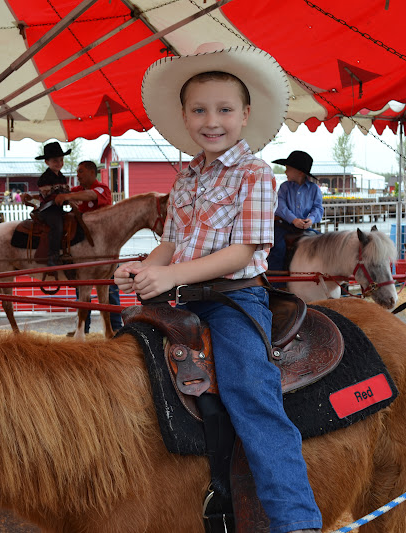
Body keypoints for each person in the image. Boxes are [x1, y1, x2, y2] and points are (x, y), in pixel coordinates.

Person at [115, 43, 322, 532]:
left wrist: (169, 276)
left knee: (251, 392)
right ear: (185, 117)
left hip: (232, 298)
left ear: (245, 114)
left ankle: (296, 520)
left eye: (225, 109)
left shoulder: (255, 174)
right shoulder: (186, 176)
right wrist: (146, 266)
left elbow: (243, 251)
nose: (213, 121)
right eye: (200, 110)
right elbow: (172, 242)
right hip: (182, 296)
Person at [54, 160, 123, 334]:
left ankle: (115, 327)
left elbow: (91, 195)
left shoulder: (102, 189)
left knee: (110, 288)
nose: (78, 175)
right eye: (77, 172)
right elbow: (75, 194)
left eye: (81, 171)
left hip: (105, 250)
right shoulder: (78, 191)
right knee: (83, 288)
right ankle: (83, 329)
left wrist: (69, 197)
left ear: (93, 173)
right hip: (87, 249)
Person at [267, 150, 324, 277]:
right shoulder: (284, 187)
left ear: (299, 172)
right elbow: (280, 206)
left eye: (288, 168)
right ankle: (275, 281)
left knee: (322, 244)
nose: (285, 171)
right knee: (278, 247)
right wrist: (293, 220)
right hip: (283, 226)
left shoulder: (314, 189)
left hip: (303, 227)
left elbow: (317, 208)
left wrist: (310, 219)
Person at [36, 141, 72, 266]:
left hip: (58, 209)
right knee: (57, 226)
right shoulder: (44, 178)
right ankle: (53, 255)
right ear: (47, 162)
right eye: (55, 160)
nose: (59, 163)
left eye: (61, 160)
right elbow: (48, 196)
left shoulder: (62, 177)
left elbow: (66, 191)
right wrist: (62, 197)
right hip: (48, 210)